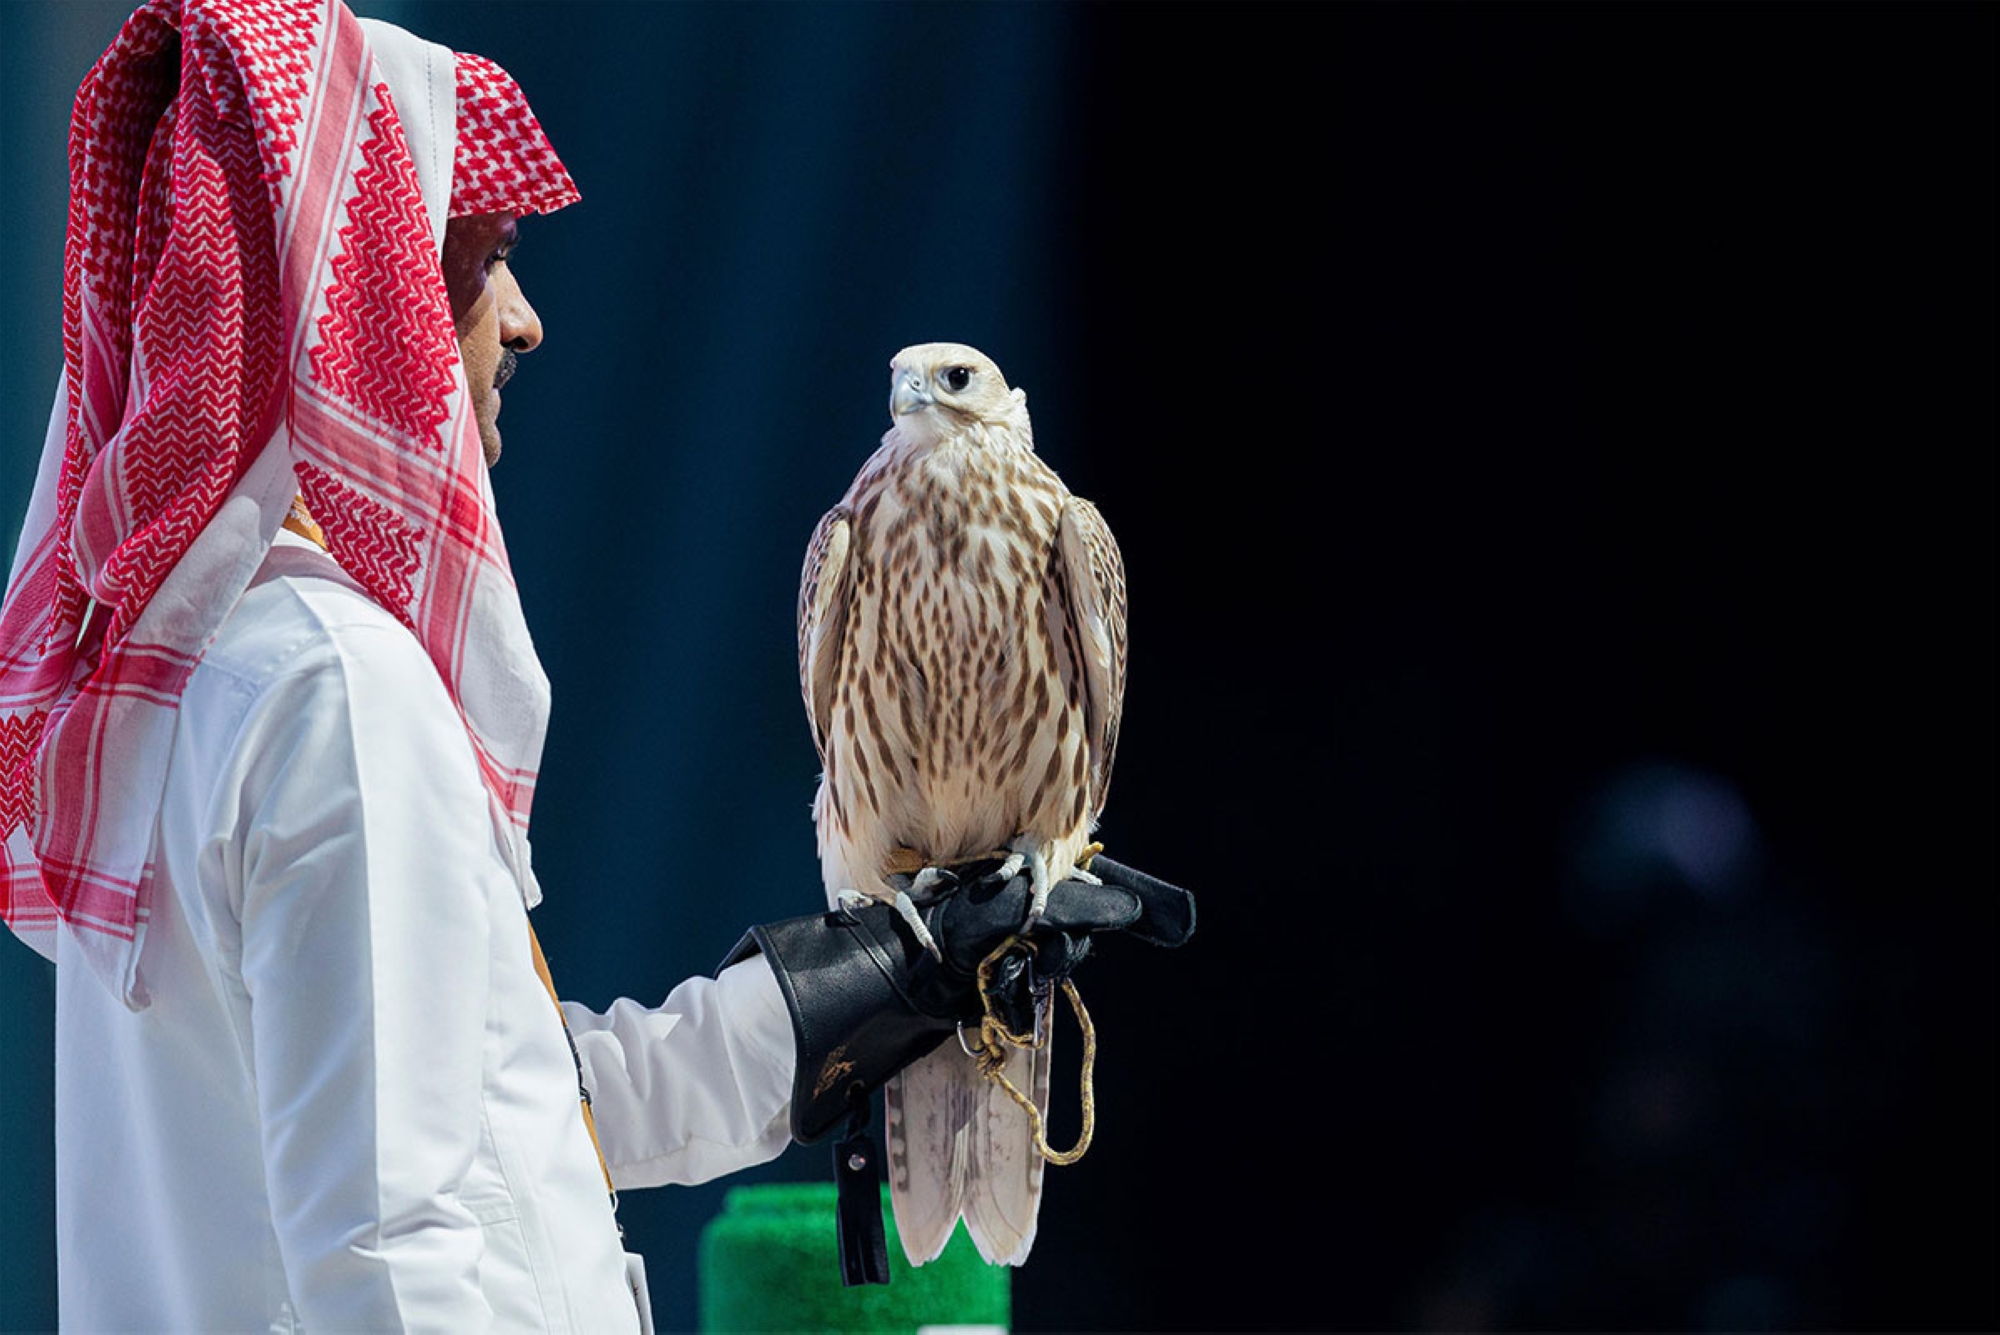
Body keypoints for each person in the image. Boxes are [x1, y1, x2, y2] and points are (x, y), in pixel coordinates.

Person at [0, 3, 1190, 1331]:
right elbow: (393, 1257)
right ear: (358, 295)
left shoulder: (181, 683)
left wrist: (877, 984)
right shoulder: (329, 689)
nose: (523, 323)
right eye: (488, 259)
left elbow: (490, 1124)